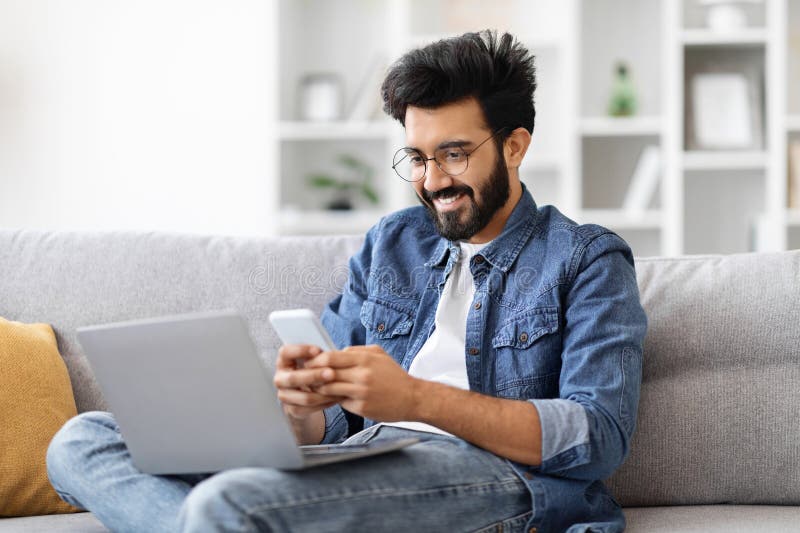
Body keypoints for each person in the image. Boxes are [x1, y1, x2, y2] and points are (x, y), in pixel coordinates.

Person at [47, 30, 647, 532]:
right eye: (417, 158)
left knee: (227, 504)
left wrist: (415, 400)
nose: (432, 181)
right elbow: (327, 425)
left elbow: (597, 436)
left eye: (454, 154)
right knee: (82, 441)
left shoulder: (585, 258)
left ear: (514, 147)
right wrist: (299, 408)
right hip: (362, 458)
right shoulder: (393, 242)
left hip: (493, 474)